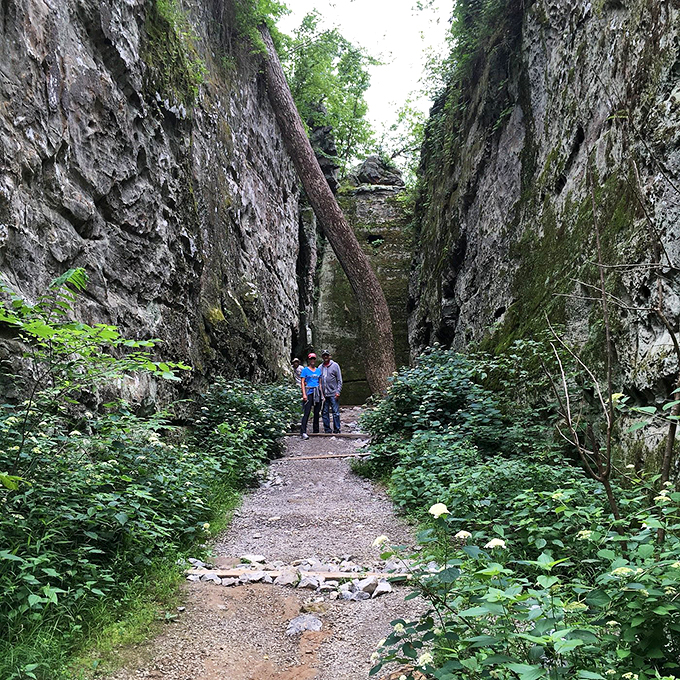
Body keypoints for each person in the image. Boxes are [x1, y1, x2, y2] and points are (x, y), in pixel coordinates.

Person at [300, 352, 322, 440]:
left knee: (317, 412)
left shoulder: (318, 370)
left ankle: (316, 430)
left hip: (317, 391)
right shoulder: (305, 370)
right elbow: (302, 382)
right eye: (311, 359)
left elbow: (320, 383)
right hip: (309, 391)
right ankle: (303, 432)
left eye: (313, 359)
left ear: (315, 360)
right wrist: (304, 394)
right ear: (308, 360)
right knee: (307, 412)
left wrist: (322, 394)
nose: (312, 360)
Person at [320, 350, 342, 434]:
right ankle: (327, 430)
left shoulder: (335, 366)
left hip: (333, 393)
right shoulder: (320, 367)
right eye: (324, 355)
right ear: (322, 357)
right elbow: (319, 380)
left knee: (335, 412)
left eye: (327, 355)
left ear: (329, 356)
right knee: (325, 412)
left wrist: (338, 391)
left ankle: (337, 429)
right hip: (324, 395)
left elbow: (339, 380)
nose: (325, 357)